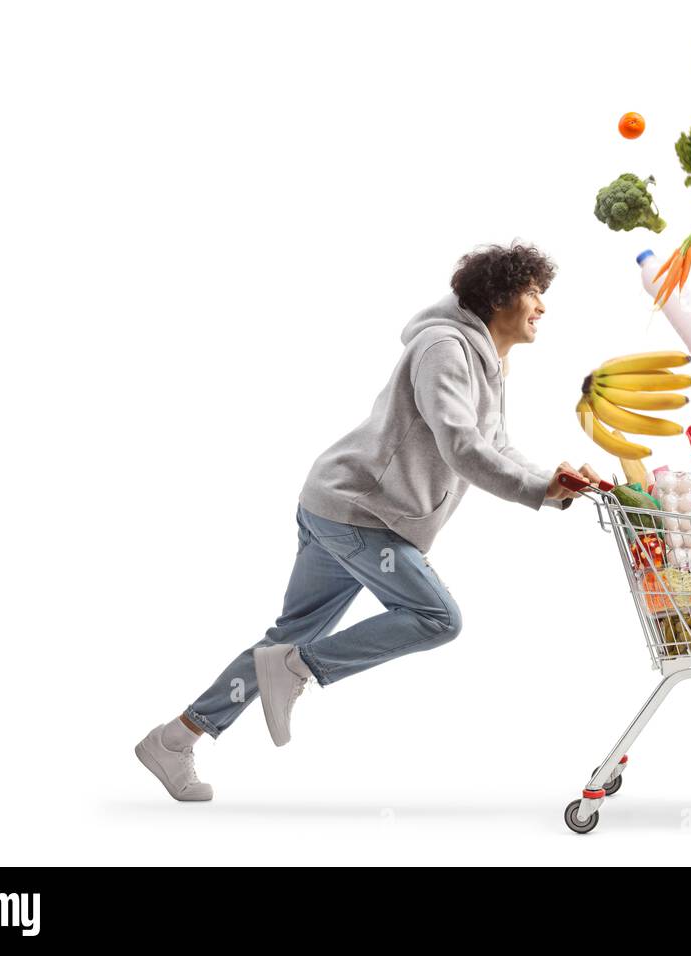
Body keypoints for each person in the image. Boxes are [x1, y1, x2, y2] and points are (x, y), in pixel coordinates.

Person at [135, 242, 600, 800]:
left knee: (283, 641)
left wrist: (550, 482)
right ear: (499, 295)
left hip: (341, 507)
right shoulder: (444, 349)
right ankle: (301, 667)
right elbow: (460, 445)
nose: (542, 306)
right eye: (533, 292)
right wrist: (534, 487)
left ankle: (175, 739)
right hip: (359, 515)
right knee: (436, 617)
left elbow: (494, 443)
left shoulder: (490, 360)